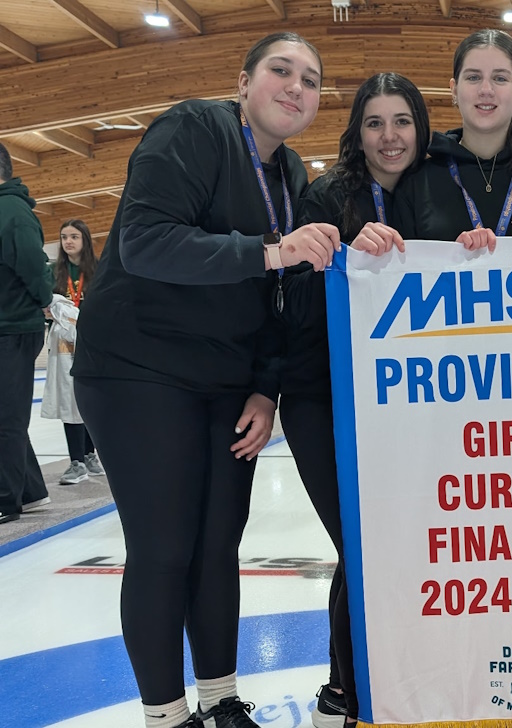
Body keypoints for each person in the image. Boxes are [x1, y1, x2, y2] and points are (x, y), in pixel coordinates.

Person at [72, 32, 340, 728]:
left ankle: (221, 701)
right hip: (140, 368)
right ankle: (167, 713)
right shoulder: (195, 127)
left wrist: (264, 386)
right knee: (165, 546)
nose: (295, 87)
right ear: (244, 81)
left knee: (220, 542)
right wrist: (270, 250)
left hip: (226, 379)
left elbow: (277, 300)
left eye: (310, 80)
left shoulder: (291, 181)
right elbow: (146, 240)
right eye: (281, 71)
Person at [283, 71, 430, 728]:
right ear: (356, 132)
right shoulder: (326, 196)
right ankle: (345, 691)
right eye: (375, 122)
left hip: (410, 405)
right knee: (361, 546)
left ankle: (410, 675)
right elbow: (297, 308)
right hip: (326, 400)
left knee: (407, 545)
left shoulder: (438, 193)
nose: (389, 136)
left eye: (402, 121)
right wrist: (347, 257)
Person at [372, 29, 512, 252]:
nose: (485, 90)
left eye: (500, 78)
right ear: (454, 89)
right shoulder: (417, 182)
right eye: (473, 77)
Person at [0, 141, 53, 524]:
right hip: (8, 326)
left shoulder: (12, 211)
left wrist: (43, 299)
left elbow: (35, 267)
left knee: (7, 418)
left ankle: (6, 499)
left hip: (14, 327)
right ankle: (31, 490)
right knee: (7, 414)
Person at [41, 219, 104, 485]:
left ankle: (90, 453)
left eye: (74, 237)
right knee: (69, 398)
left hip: (93, 341)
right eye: (64, 236)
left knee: (88, 397)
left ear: (85, 240)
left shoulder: (98, 269)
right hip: (64, 344)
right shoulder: (53, 272)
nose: (68, 242)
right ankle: (76, 460)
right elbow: (44, 302)